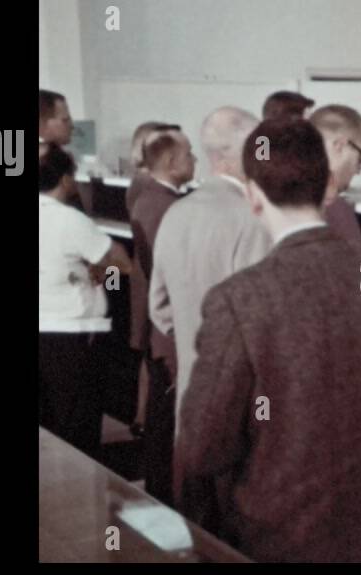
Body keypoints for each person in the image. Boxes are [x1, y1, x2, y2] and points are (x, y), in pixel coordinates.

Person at [177, 119, 361, 562]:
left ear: (252, 195)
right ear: (327, 185)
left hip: (278, 536)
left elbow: (203, 446)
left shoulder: (240, 298)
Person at [149, 106, 271, 474]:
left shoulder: (177, 212)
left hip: (190, 392)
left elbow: (159, 307)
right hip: (242, 401)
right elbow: (261, 319)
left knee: (197, 517)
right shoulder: (253, 218)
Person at [39, 144, 131, 457]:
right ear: (66, 180)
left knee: (47, 425)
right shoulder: (70, 220)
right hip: (74, 333)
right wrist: (106, 275)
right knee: (78, 425)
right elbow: (121, 264)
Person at [129, 128, 195, 504]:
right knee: (165, 413)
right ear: (170, 162)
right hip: (167, 327)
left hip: (156, 324)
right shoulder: (165, 206)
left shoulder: (149, 198)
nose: (195, 160)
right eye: (189, 154)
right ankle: (165, 489)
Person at [309, 104, 361, 247]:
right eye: (360, 159)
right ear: (339, 146)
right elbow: (356, 267)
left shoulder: (276, 194)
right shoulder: (334, 208)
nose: (358, 171)